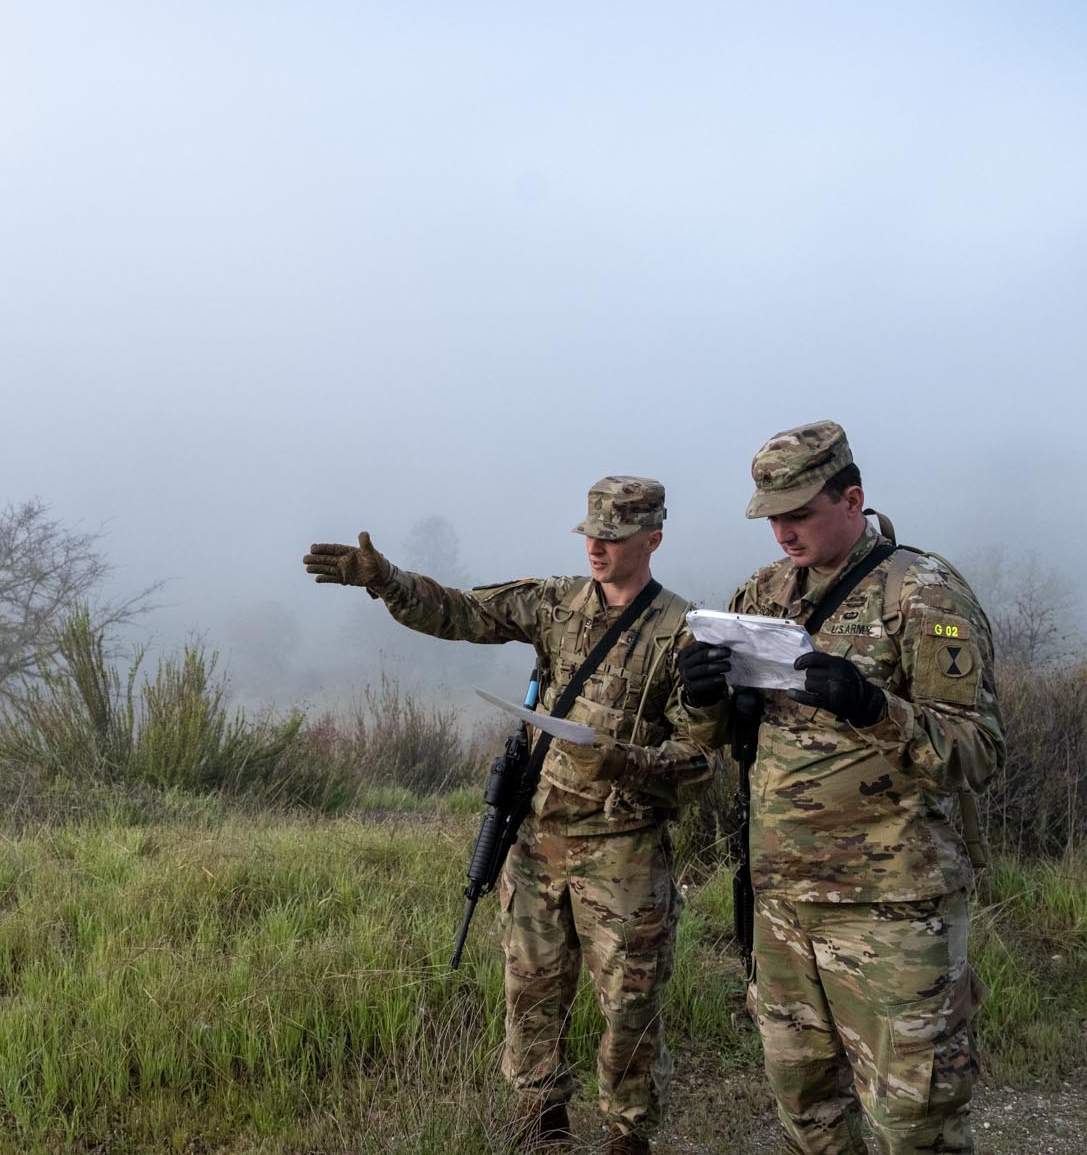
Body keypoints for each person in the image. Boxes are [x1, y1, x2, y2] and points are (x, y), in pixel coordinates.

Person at [305, 477, 725, 1155]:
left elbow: (700, 759)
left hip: (622, 850)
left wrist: (621, 762)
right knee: (530, 990)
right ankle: (540, 1123)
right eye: (590, 534)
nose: (596, 547)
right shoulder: (556, 602)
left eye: (613, 537)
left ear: (652, 539)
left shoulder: (682, 633)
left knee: (630, 1003)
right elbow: (460, 611)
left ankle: (627, 1134)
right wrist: (385, 580)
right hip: (536, 839)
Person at [677, 421, 1003, 1155]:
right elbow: (729, 737)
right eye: (771, 518)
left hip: (891, 907)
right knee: (808, 1108)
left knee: (916, 1119)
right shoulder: (762, 593)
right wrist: (703, 699)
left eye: (799, 514)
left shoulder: (922, 593)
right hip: (783, 898)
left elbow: (979, 750)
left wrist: (872, 706)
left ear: (852, 499)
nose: (782, 533)